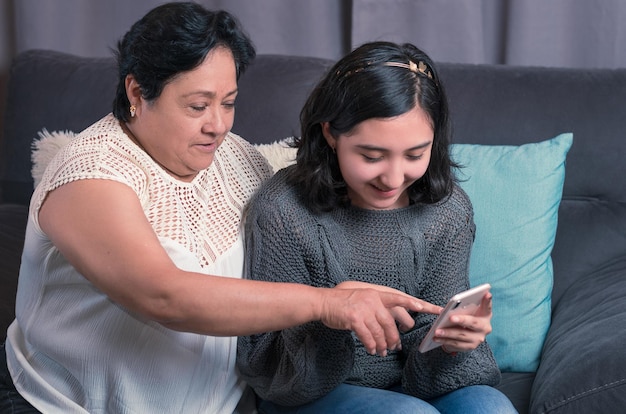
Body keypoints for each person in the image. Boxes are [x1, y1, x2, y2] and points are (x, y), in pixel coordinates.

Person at [0, 4, 439, 413]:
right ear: (136, 91)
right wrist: (327, 303)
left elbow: (298, 245)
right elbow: (164, 295)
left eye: (228, 103)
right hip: (63, 405)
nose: (218, 125)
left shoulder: (237, 159)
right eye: (197, 105)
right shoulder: (90, 173)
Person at [237, 41, 518, 413]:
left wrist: (452, 342)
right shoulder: (283, 208)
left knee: (490, 408)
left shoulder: (446, 210)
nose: (394, 177)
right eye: (372, 156)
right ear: (330, 134)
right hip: (306, 392)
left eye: (416, 154)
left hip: (411, 386)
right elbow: (265, 358)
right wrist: (332, 312)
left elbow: (430, 332)